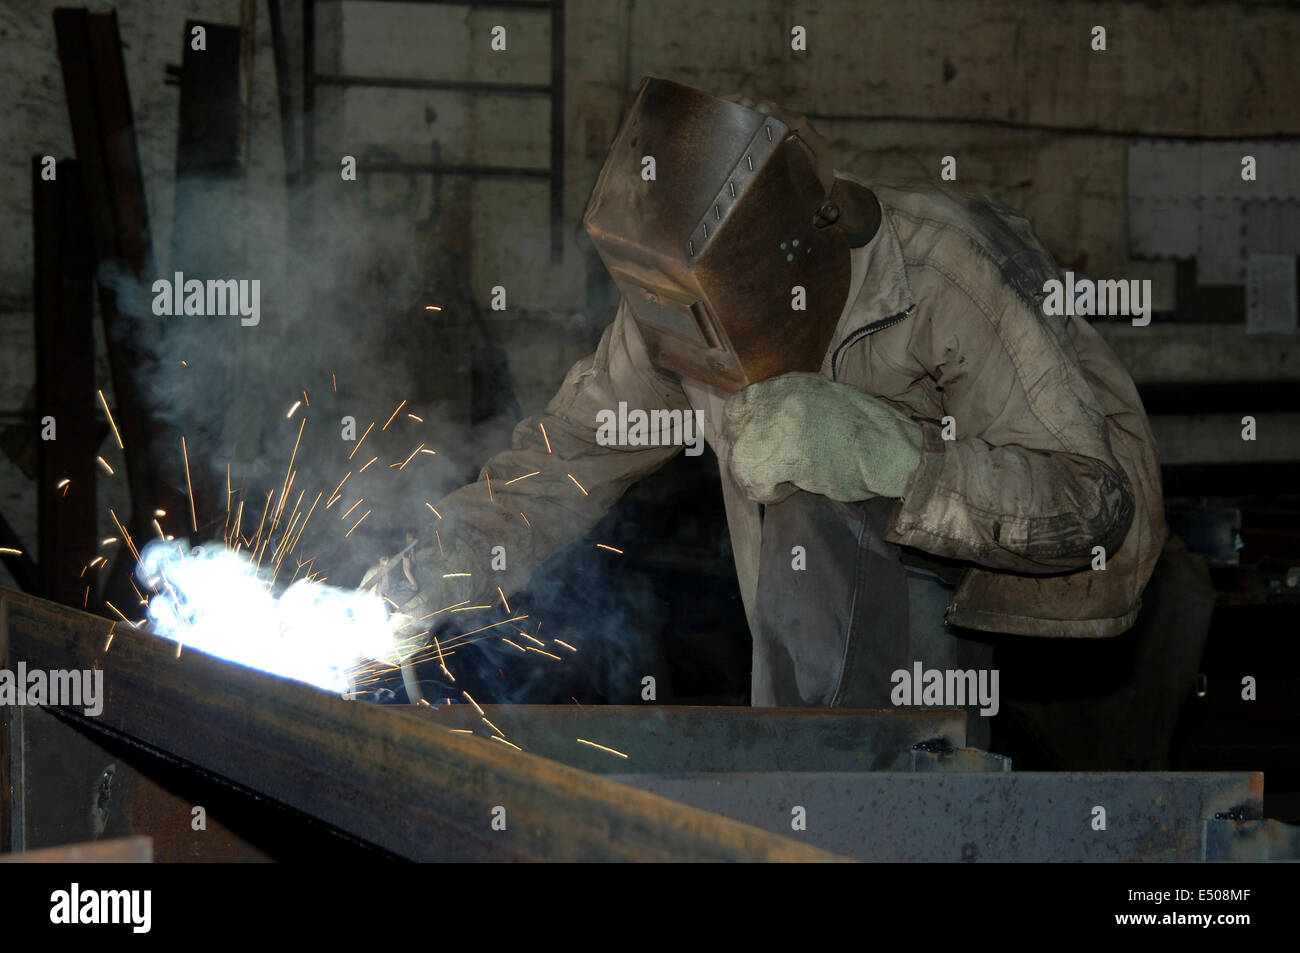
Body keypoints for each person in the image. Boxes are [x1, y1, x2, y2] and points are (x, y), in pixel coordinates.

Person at [368, 77, 1165, 736]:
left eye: (713, 321)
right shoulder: (678, 306)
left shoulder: (945, 276)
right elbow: (566, 453)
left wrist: (895, 456)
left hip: (1071, 610)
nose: (704, 357)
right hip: (902, 625)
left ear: (803, 250)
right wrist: (439, 566)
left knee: (964, 789)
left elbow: (1092, 501)